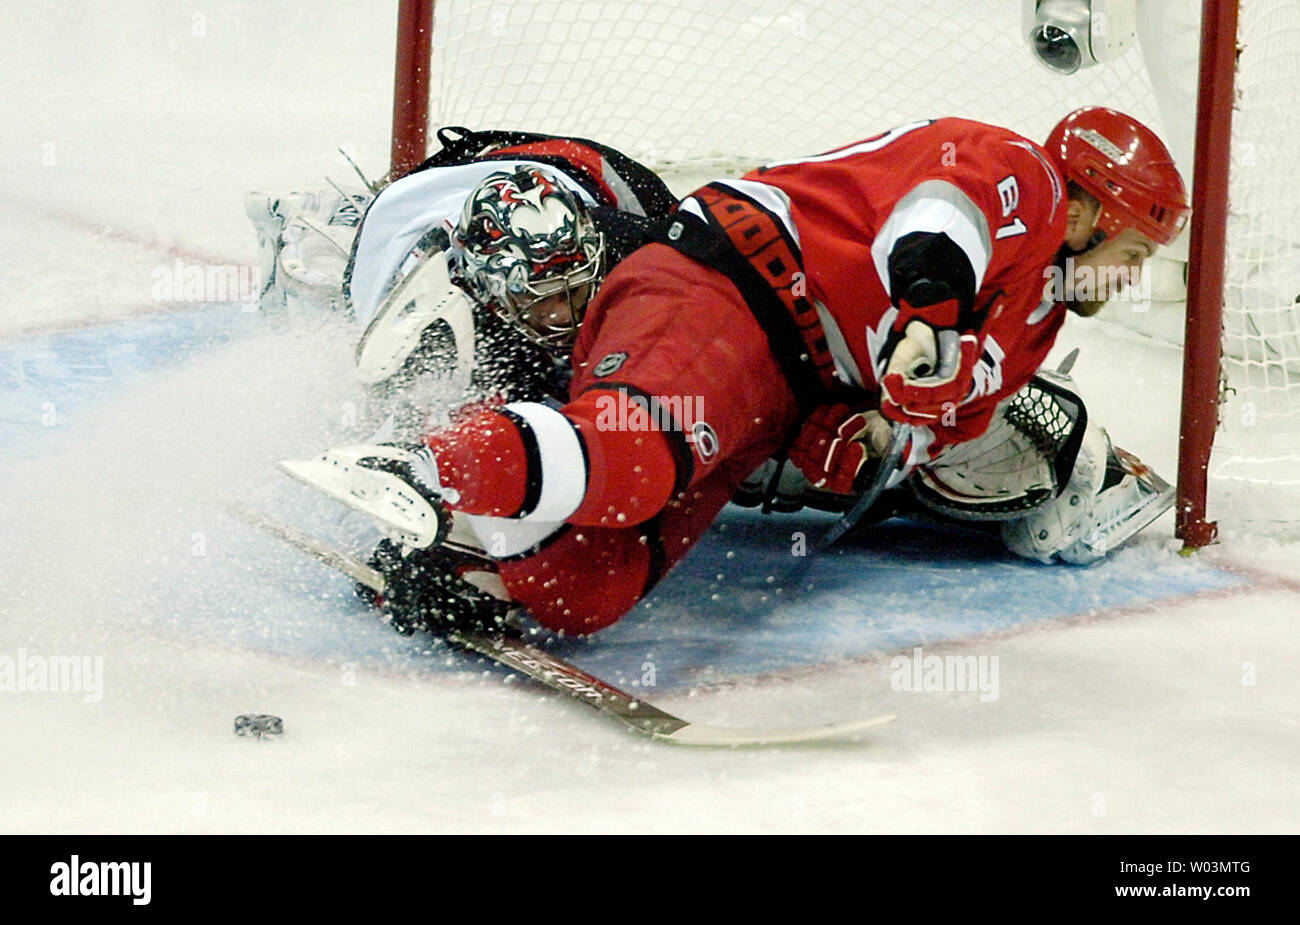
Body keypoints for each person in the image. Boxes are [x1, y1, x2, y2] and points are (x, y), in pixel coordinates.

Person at [299, 107, 1189, 637]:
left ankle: (450, 558)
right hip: (733, 286)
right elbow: (935, 221)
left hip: (784, 385)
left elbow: (920, 424)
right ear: (1090, 207)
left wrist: (863, 440)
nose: (1134, 274)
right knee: (633, 459)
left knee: (589, 590)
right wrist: (927, 309)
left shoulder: (1034, 325)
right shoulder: (1024, 178)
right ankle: (418, 465)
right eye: (1135, 247)